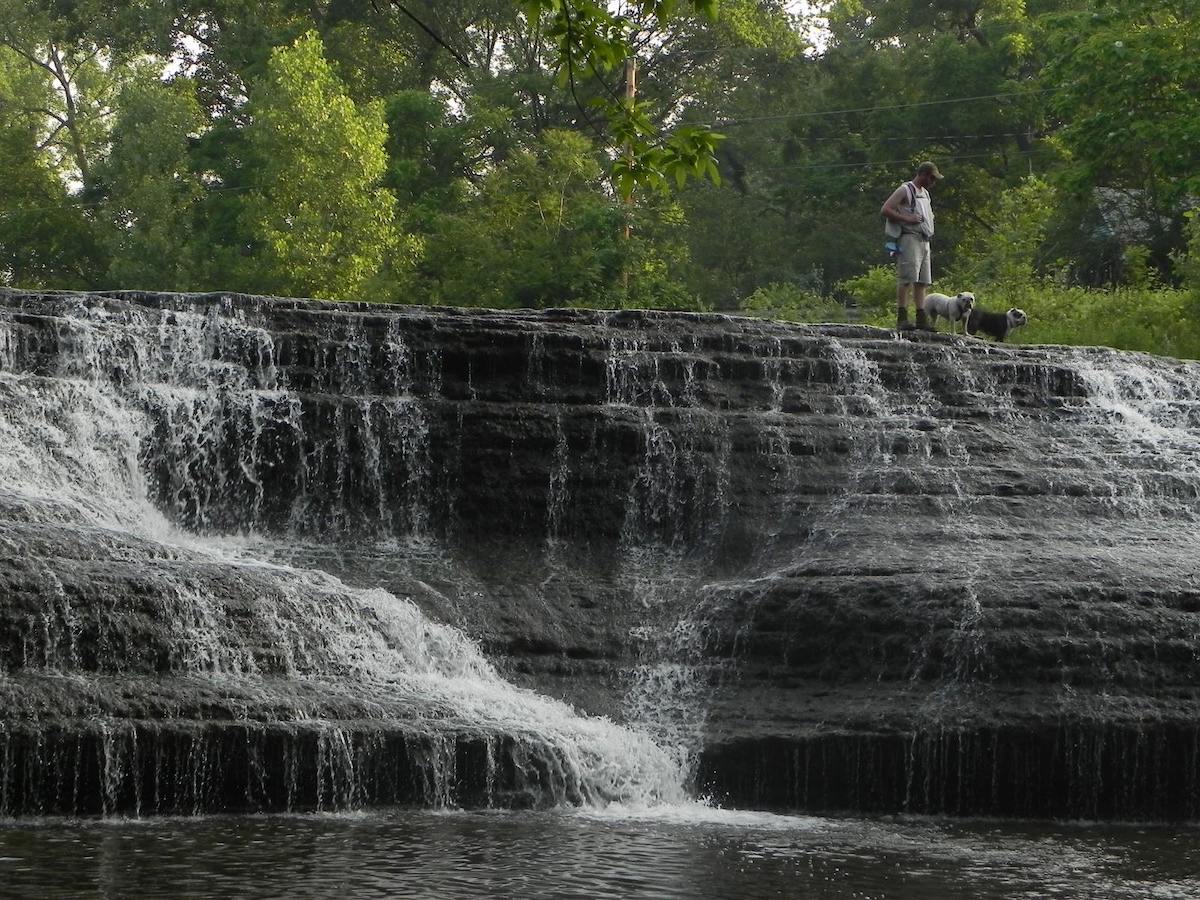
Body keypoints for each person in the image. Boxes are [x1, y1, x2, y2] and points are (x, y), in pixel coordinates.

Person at [880, 161, 942, 331]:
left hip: (924, 240)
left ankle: (921, 318)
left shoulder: (926, 194)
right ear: (922, 175)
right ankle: (902, 318)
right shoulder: (905, 190)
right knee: (907, 278)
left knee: (922, 281)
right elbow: (886, 209)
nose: (933, 182)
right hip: (909, 238)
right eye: (931, 178)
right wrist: (907, 219)